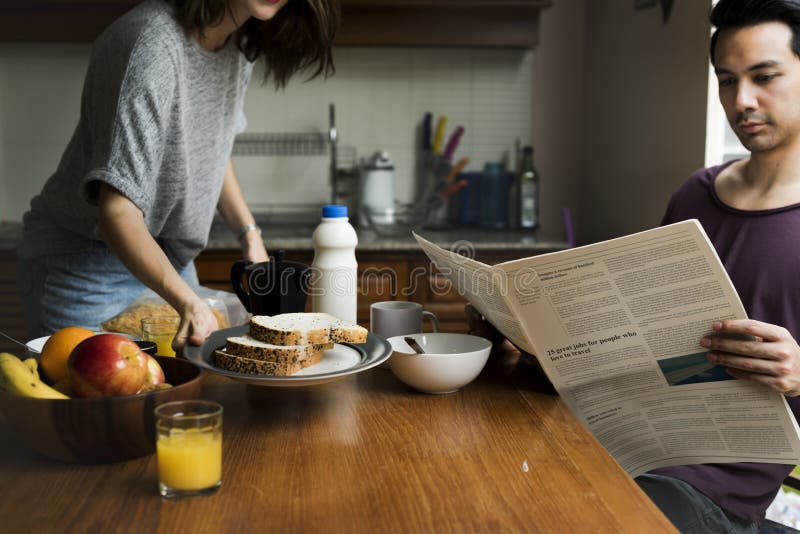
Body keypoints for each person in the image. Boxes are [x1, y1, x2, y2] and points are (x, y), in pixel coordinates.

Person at [469, 0, 800, 531]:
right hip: (614, 437)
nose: (742, 101)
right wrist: (538, 337)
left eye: (764, 77)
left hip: (705, 492)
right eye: (726, 80)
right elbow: (646, 342)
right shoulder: (696, 193)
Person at [15, 0, 340, 352]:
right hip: (85, 269)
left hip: (167, 261)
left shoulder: (236, 46)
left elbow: (213, 148)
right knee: (103, 403)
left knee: (181, 400)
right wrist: (186, 300)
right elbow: (117, 212)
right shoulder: (151, 43)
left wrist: (250, 236)